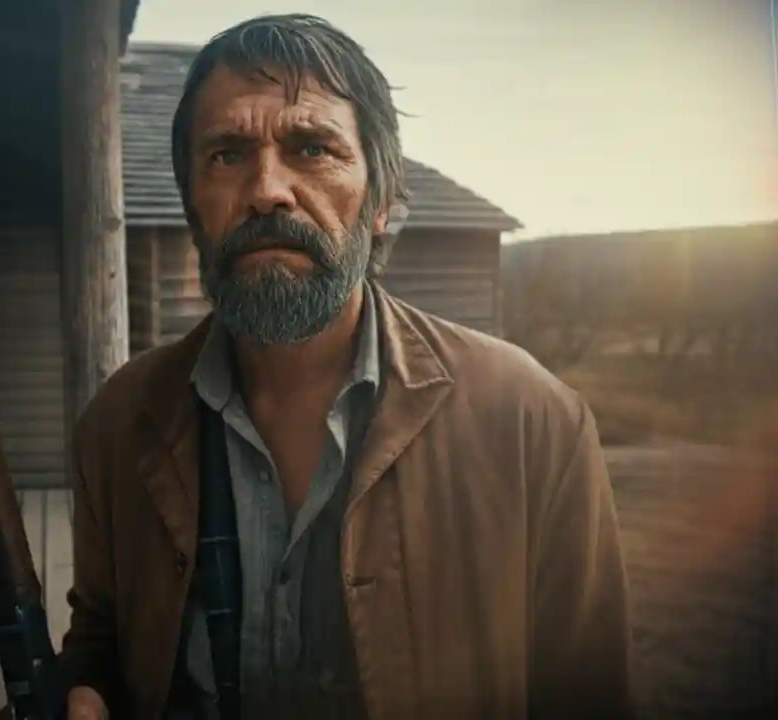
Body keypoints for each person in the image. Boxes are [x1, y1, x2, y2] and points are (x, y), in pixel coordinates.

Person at [60, 13, 631, 720]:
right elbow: (100, 641)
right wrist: (83, 693)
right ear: (192, 205)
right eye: (227, 154)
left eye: (312, 148)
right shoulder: (119, 424)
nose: (266, 188)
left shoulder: (531, 422)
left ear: (382, 202)